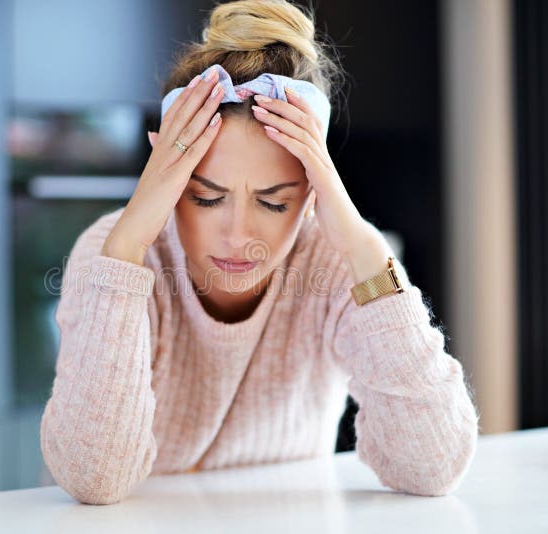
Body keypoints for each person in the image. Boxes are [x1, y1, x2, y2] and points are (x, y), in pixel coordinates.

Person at [40, 0, 479, 505]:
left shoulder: (340, 259)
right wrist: (124, 251)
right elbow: (93, 478)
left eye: (274, 202)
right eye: (205, 197)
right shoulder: (114, 249)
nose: (238, 236)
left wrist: (367, 252)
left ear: (312, 191)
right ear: (166, 178)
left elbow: (432, 467)